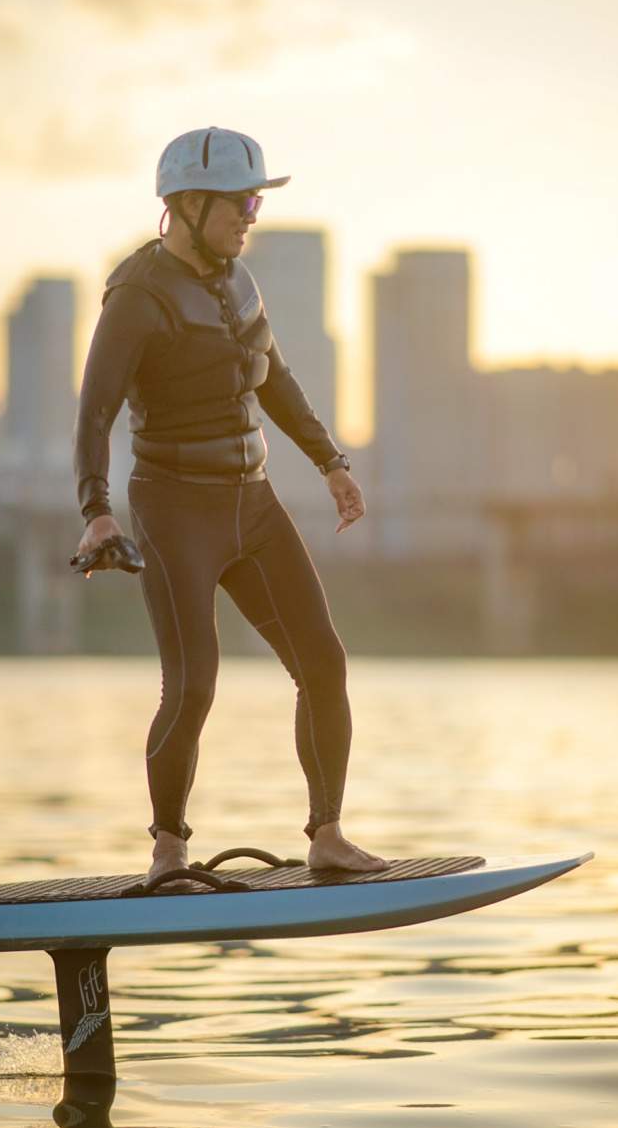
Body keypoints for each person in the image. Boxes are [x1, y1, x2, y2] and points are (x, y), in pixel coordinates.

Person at [72, 126, 387, 885]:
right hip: (172, 508)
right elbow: (94, 412)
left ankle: (328, 836)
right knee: (194, 682)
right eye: (242, 202)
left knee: (323, 661)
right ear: (185, 206)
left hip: (253, 503)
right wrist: (97, 511)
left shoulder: (241, 282)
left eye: (257, 200)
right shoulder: (136, 295)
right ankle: (168, 850)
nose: (253, 214)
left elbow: (272, 378)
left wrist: (331, 464)